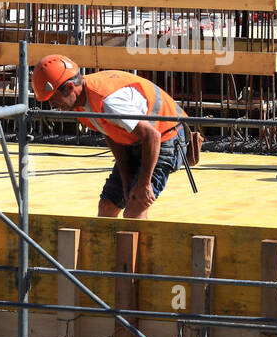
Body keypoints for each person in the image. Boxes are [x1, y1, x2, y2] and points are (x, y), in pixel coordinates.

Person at [32, 55, 200, 219]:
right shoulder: (78, 103)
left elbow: (152, 136)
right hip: (136, 139)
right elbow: (112, 133)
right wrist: (126, 179)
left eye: (53, 98)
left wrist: (144, 184)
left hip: (165, 137)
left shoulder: (109, 102)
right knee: (108, 206)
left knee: (135, 207)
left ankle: (135, 246)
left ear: (70, 87)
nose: (52, 105)